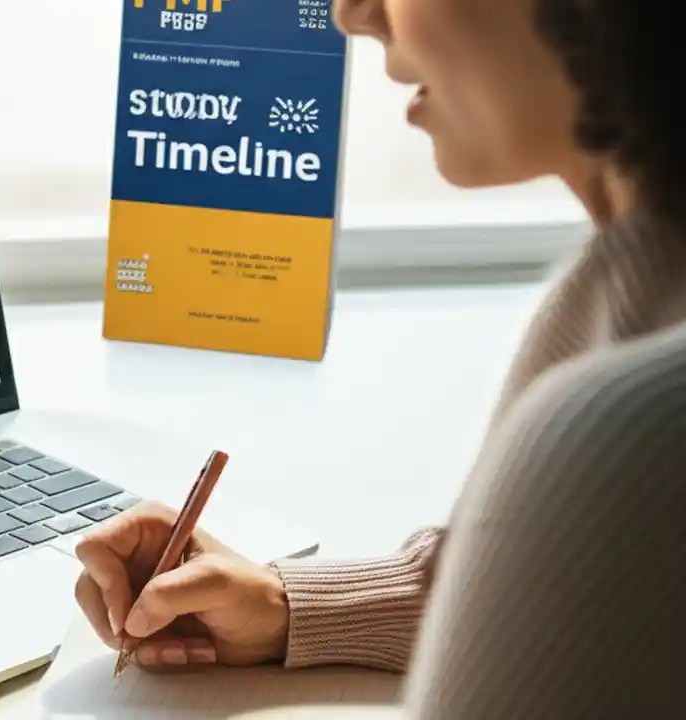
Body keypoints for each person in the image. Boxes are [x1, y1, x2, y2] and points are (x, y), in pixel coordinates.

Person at [73, 0, 683, 715]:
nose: (353, 14)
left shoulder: (625, 426)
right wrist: (286, 608)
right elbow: (594, 592)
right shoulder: (621, 295)